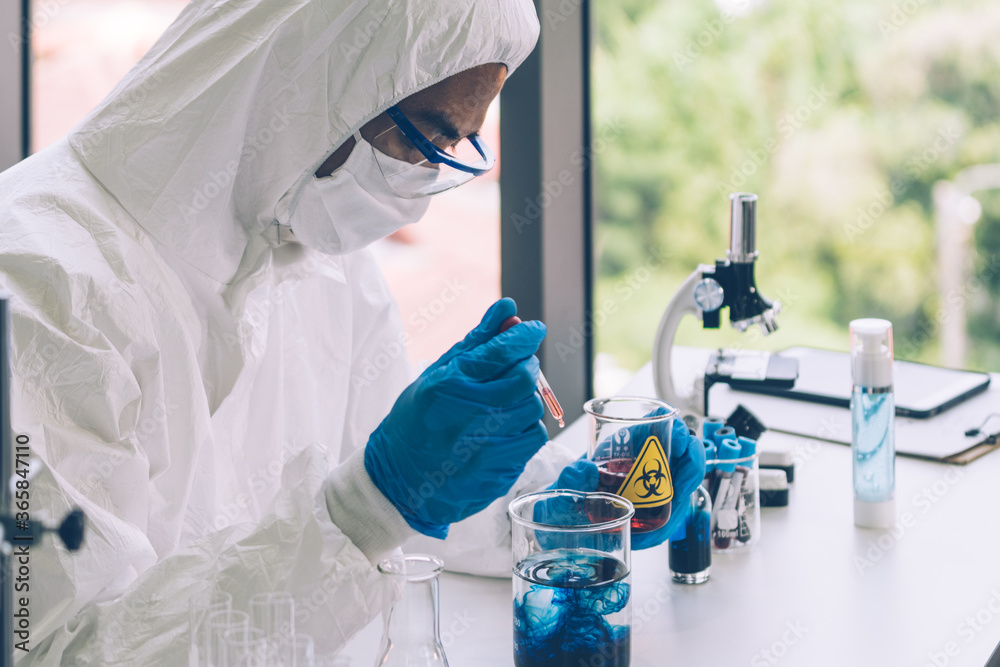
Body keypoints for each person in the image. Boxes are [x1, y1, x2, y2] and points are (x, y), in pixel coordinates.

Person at [0, 0, 704, 663]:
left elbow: (408, 496)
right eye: (427, 136)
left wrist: (566, 500)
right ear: (307, 80)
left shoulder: (308, 247)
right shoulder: (40, 285)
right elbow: (69, 648)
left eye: (459, 144)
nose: (421, 185)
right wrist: (376, 500)